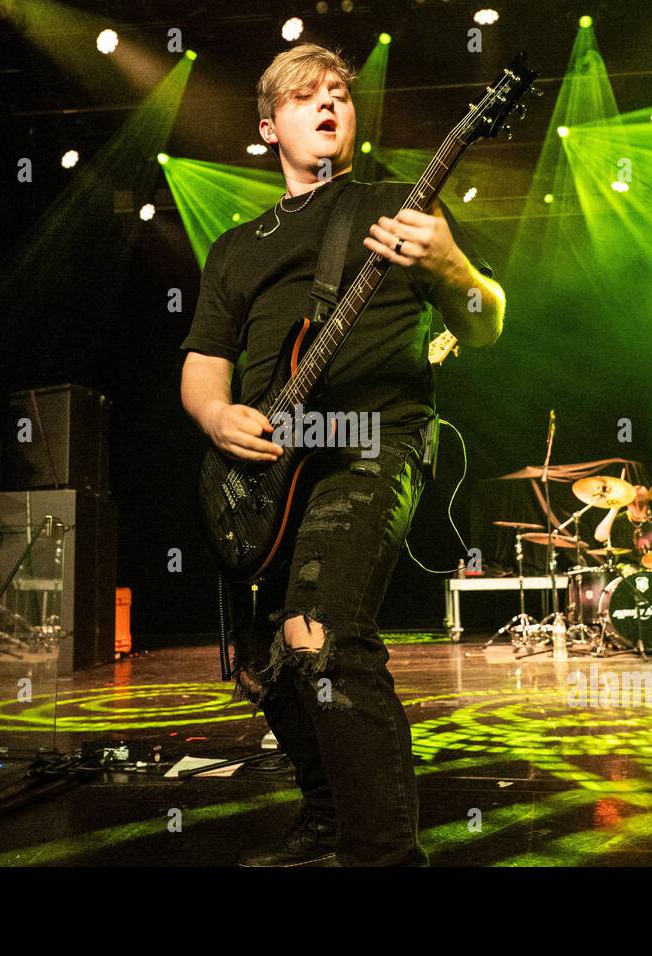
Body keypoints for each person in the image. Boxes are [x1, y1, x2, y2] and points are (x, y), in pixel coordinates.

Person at [180, 43, 504, 866]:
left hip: (373, 440)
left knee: (318, 627)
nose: (328, 103)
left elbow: (486, 322)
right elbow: (203, 365)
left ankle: (383, 855)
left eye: (339, 94)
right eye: (304, 96)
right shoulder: (236, 246)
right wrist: (217, 417)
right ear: (268, 126)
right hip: (266, 469)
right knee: (264, 661)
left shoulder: (399, 206)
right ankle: (326, 813)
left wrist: (452, 267)